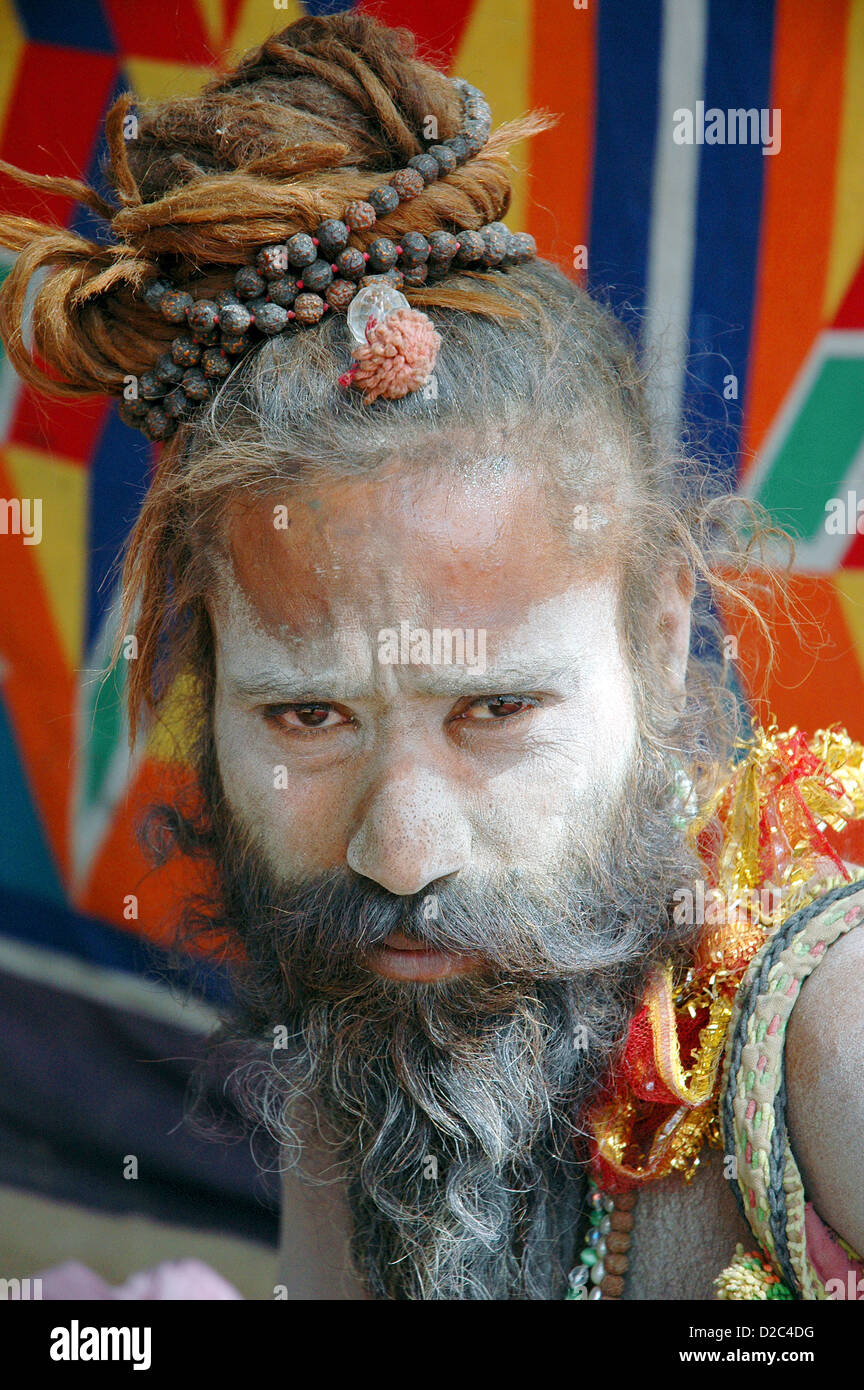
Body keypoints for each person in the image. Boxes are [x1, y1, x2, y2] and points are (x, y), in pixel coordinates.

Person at [1, 12, 863, 1303]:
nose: (403, 853)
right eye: (307, 718)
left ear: (661, 637)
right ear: (202, 678)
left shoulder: (826, 1052)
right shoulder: (364, 1016)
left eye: (498, 707)